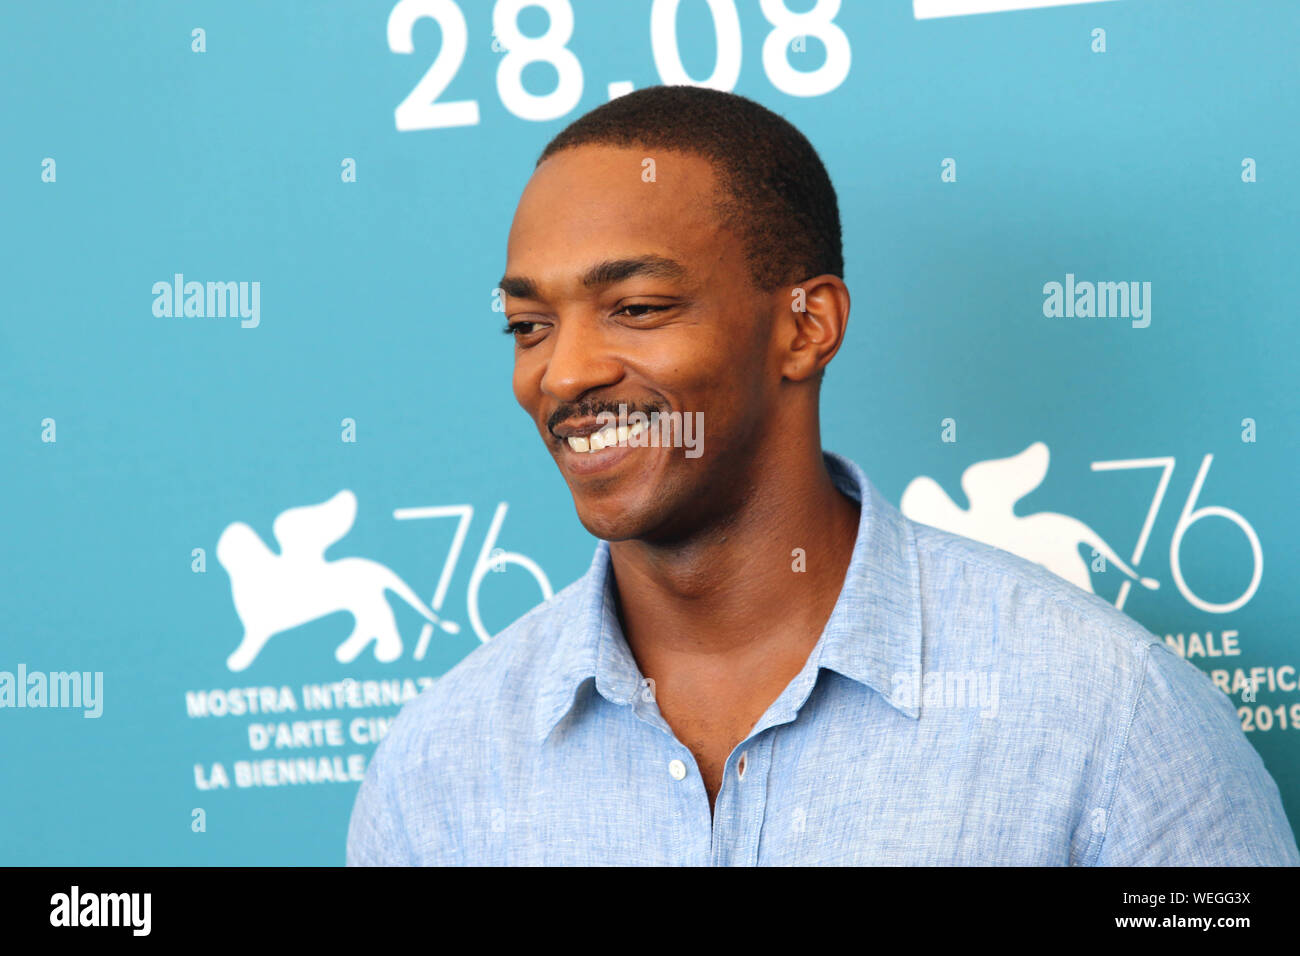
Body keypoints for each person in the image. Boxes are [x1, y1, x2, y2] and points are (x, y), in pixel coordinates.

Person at [347, 85, 1298, 865]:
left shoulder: (1107, 715)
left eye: (636, 307)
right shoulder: (439, 769)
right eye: (529, 326)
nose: (563, 374)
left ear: (806, 326)